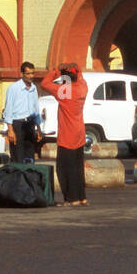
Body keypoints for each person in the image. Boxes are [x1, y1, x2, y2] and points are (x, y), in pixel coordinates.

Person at [41, 62, 89, 206]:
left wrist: (56, 70)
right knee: (78, 167)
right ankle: (82, 197)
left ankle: (71, 198)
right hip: (79, 133)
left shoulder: (64, 91)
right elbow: (80, 77)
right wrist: (76, 69)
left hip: (67, 135)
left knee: (65, 169)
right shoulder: (82, 88)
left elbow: (44, 83)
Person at [3, 61, 42, 164]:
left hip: (30, 124)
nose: (31, 76)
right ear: (22, 74)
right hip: (18, 125)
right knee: (18, 156)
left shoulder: (34, 88)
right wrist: (10, 130)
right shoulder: (13, 88)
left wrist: (38, 128)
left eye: (32, 73)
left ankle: (29, 178)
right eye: (28, 73)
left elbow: (36, 109)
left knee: (29, 156)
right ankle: (17, 178)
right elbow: (8, 109)